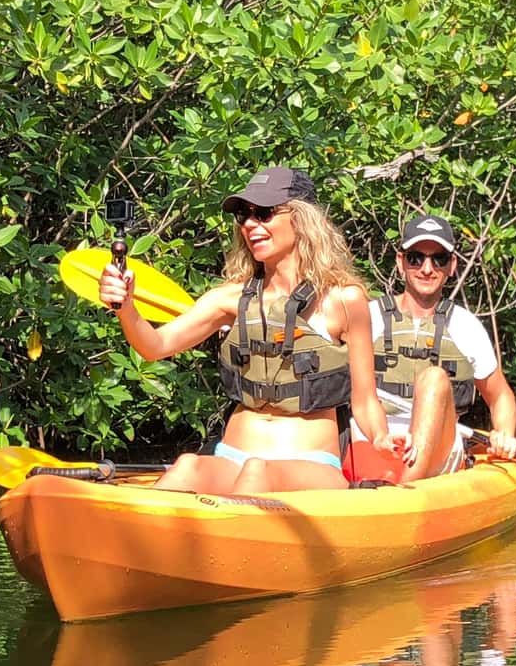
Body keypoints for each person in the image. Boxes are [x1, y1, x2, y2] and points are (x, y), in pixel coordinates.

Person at [98, 166, 410, 495]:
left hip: (312, 464)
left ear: (302, 219)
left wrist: (379, 437)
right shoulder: (230, 298)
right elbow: (155, 346)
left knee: (257, 473)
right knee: (188, 465)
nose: (249, 224)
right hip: (233, 456)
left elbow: (363, 400)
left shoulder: (345, 300)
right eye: (243, 216)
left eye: (263, 213)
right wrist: (127, 307)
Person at [364, 213, 516, 482]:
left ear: (452, 266)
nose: (427, 268)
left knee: (434, 378)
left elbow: (499, 395)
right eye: (416, 258)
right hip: (374, 443)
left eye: (439, 259)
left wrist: (503, 434)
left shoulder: (465, 326)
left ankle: (405, 491)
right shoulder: (366, 318)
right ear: (401, 262)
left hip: (440, 449)